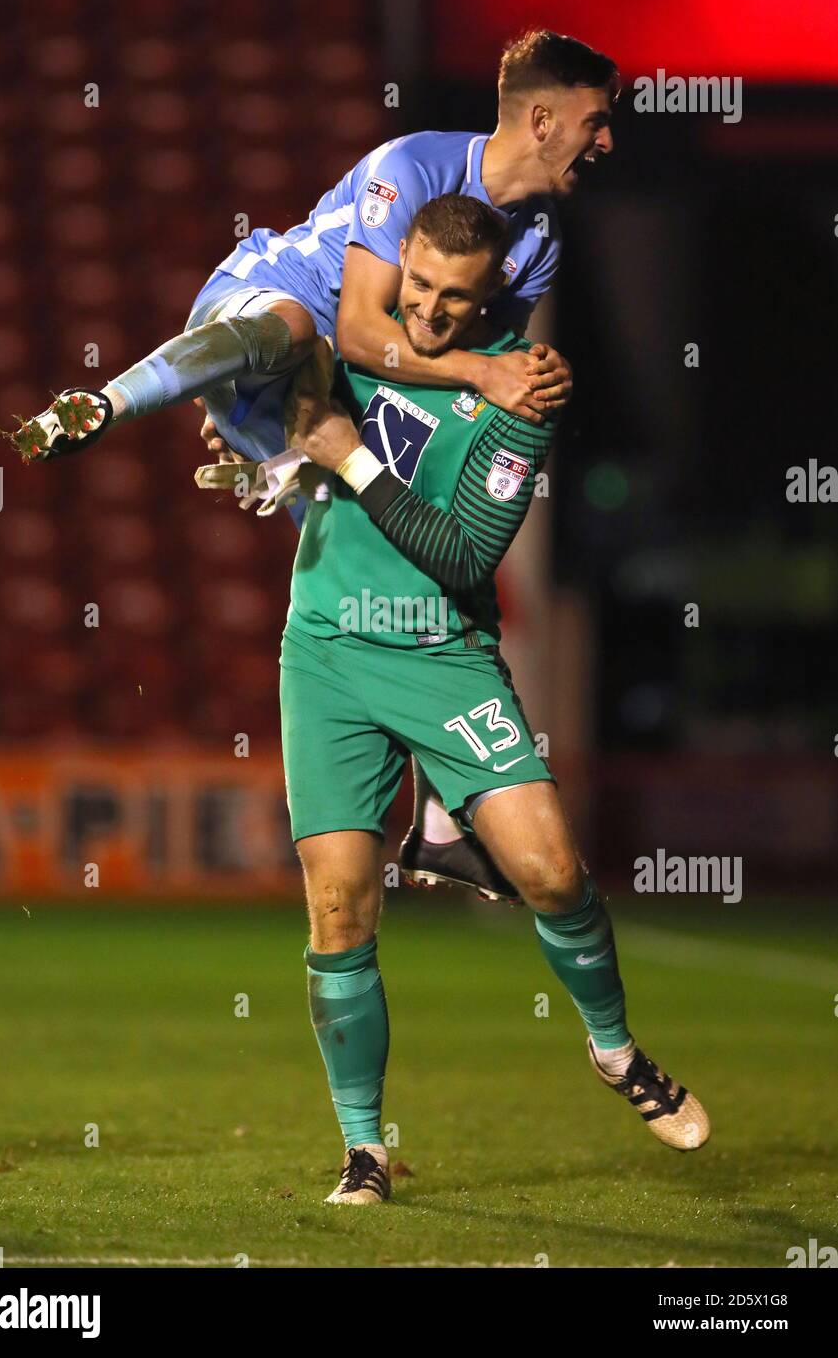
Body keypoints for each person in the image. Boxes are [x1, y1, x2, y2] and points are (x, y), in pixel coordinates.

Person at [0, 28, 617, 901]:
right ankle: (106, 401)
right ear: (544, 119)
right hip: (263, 322)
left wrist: (519, 380)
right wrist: (486, 372)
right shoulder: (412, 166)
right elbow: (365, 333)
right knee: (291, 327)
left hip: (333, 409)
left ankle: (440, 829)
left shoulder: (539, 237)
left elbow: (471, 363)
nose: (607, 141)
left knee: (424, 575)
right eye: (596, 121)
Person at [281, 194, 710, 1203]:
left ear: (491, 299)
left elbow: (465, 550)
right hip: (329, 652)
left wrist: (346, 455)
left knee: (553, 870)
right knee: (339, 906)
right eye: (417, 284)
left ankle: (612, 1050)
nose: (425, 310)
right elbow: (261, 348)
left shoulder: (524, 384)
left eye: (451, 297)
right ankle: (364, 1149)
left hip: (443, 654)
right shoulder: (355, 330)